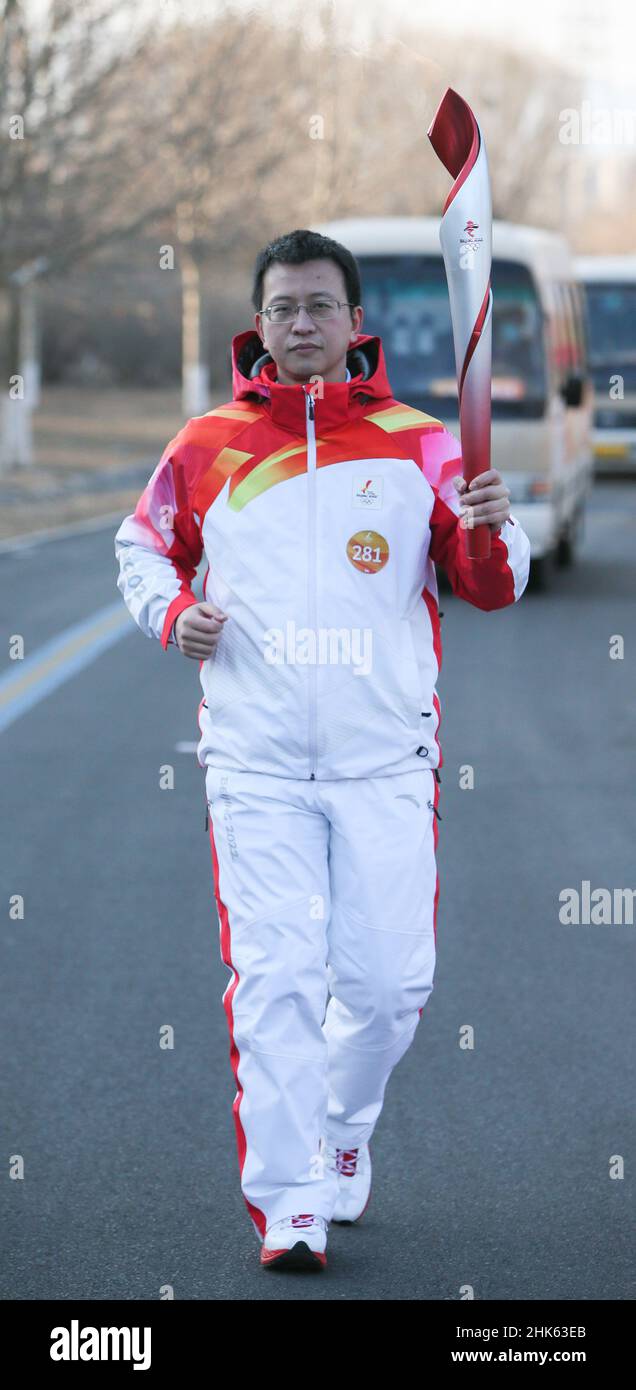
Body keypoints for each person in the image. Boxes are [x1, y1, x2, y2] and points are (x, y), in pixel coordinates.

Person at [114, 228, 531, 1273]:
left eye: (320, 306)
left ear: (356, 322)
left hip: (386, 760)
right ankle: (291, 1200)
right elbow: (142, 544)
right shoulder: (206, 443)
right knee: (279, 981)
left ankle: (342, 1127)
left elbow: (489, 583)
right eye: (283, 308)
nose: (302, 324)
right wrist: (173, 613)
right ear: (260, 324)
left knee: (391, 987)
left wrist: (489, 525)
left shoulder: (422, 442)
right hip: (256, 768)